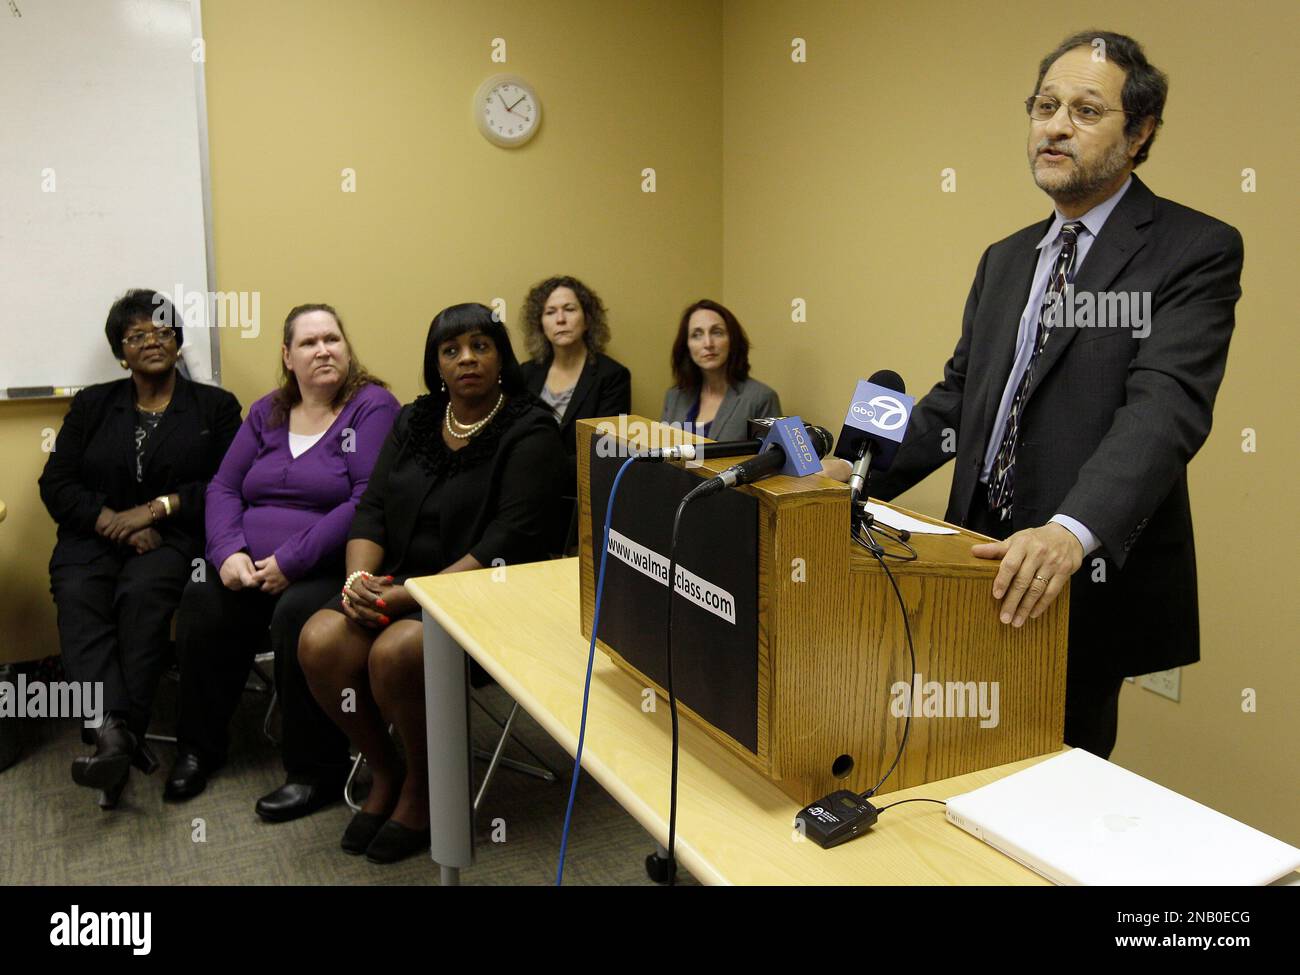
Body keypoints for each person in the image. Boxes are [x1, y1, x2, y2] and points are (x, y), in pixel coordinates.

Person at [823, 31, 1243, 759]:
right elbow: (955, 399)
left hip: (1073, 568)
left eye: (1085, 111)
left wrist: (1070, 531)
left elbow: (1164, 407)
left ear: (1140, 133)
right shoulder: (1006, 258)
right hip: (973, 552)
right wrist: (853, 475)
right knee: (952, 757)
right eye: (1045, 106)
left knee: (1050, 777)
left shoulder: (1194, 249)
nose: (1054, 127)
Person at [298, 302, 563, 863]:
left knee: (397, 651)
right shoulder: (416, 420)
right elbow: (370, 508)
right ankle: (386, 770)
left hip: (484, 595)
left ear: (500, 357)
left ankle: (423, 788)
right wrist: (358, 582)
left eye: (480, 346)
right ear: (436, 364)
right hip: (395, 582)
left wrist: (419, 596)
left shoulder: (531, 428)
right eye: (451, 350)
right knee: (318, 641)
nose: (466, 358)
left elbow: (509, 539)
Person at [164, 304, 399, 821]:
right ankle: (198, 749)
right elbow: (224, 487)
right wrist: (227, 553)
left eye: (333, 339)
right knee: (202, 599)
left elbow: (365, 499)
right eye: (310, 342)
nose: (324, 350)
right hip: (251, 566)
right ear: (287, 355)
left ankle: (315, 771)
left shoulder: (371, 407)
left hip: (329, 567)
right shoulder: (267, 411)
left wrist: (290, 560)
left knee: (297, 615)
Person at [39, 289, 242, 808]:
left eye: (163, 331)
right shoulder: (92, 404)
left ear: (178, 341)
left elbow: (227, 485)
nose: (153, 341)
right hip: (94, 538)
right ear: (120, 352)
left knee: (142, 596)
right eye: (137, 336)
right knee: (79, 596)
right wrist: (116, 521)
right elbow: (56, 483)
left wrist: (156, 510)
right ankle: (115, 732)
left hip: (170, 539)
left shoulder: (215, 408)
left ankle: (114, 735)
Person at [518, 276, 630, 552]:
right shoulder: (524, 374)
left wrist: (541, 470)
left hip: (581, 506)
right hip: (523, 504)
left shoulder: (612, 376)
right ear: (540, 323)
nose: (560, 319)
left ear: (587, 319)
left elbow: (604, 449)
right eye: (550, 312)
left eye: (569, 309)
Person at [661, 299, 781, 442]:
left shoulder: (761, 398)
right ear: (686, 346)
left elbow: (773, 460)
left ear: (732, 340)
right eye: (697, 335)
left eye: (717, 332)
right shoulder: (674, 396)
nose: (708, 343)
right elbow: (661, 452)